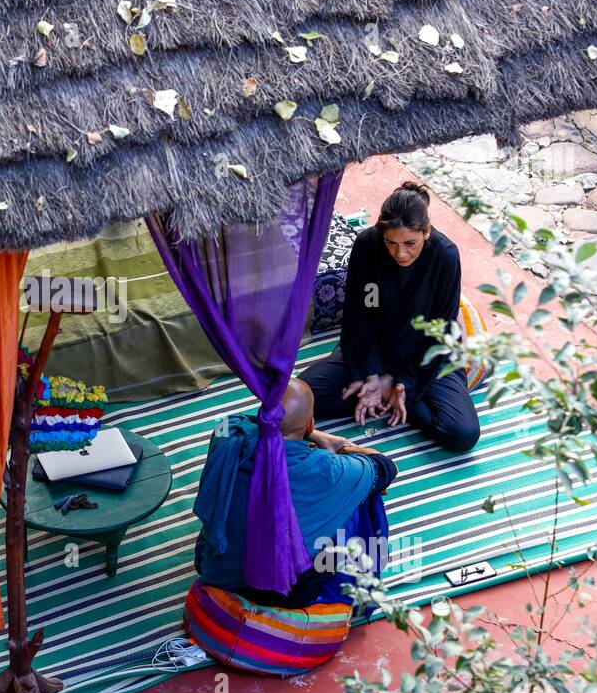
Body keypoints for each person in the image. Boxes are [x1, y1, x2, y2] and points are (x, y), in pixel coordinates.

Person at [301, 181, 481, 453]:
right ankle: (386, 395)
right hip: (373, 351)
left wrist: (402, 381)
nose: (400, 253)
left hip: (426, 358)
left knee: (462, 433)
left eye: (410, 243)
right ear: (380, 233)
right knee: (298, 399)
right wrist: (371, 375)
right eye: (391, 243)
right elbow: (358, 316)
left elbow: (442, 332)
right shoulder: (367, 246)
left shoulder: (445, 256)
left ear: (427, 232)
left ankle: (396, 394)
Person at [193, 379, 395, 607]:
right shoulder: (329, 469)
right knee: (359, 498)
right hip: (287, 592)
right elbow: (385, 467)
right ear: (309, 424)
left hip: (215, 567)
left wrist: (314, 434)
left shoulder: (228, 434)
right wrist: (342, 447)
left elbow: (243, 420)